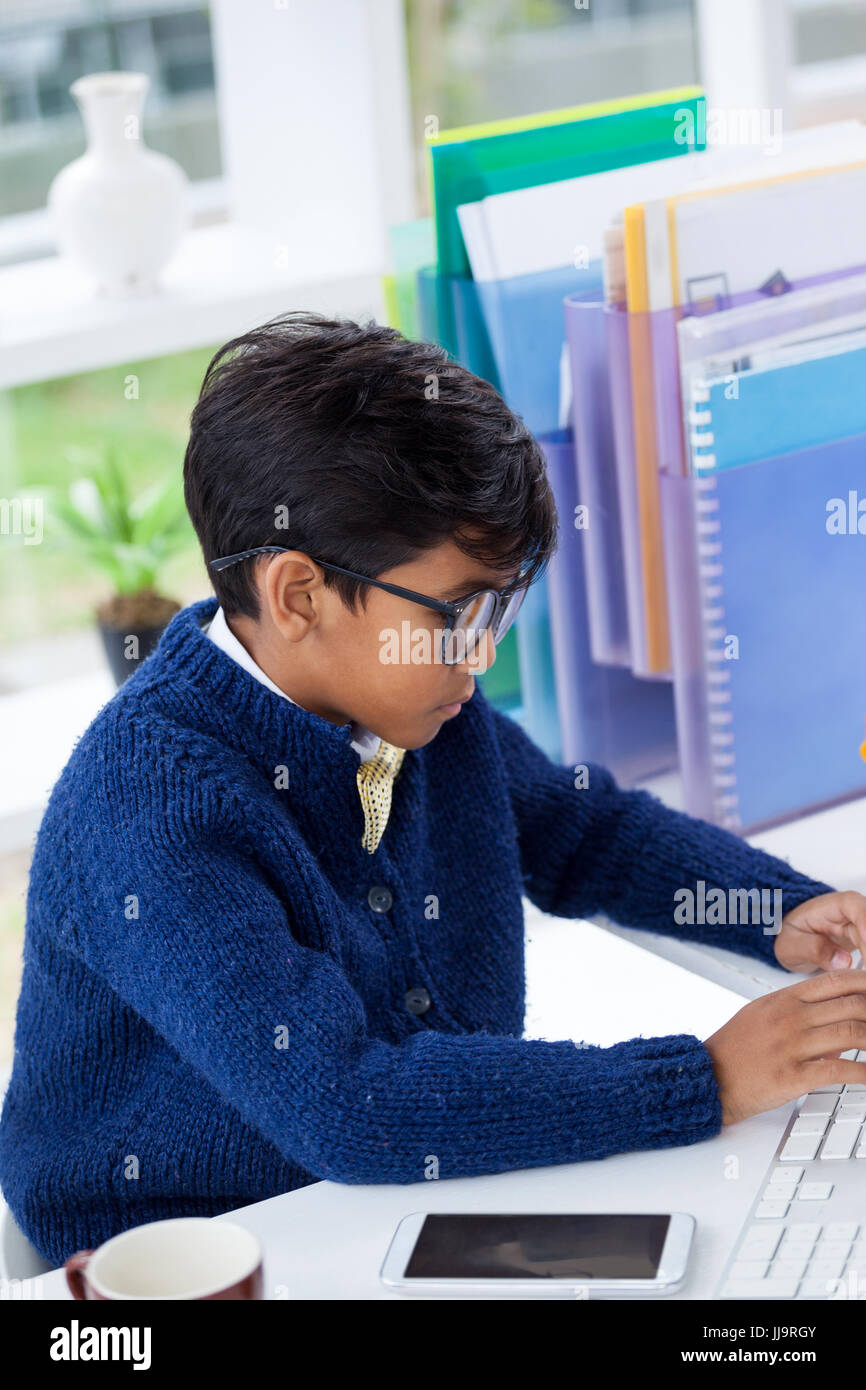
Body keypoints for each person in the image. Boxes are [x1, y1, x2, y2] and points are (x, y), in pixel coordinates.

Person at [2, 313, 865, 1266]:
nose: (485, 652)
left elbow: (582, 830)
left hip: (405, 1178)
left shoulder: (415, 705)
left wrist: (779, 909)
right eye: (461, 612)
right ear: (298, 596)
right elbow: (350, 1103)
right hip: (203, 1243)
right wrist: (702, 1080)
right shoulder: (153, 807)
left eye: (503, 605)